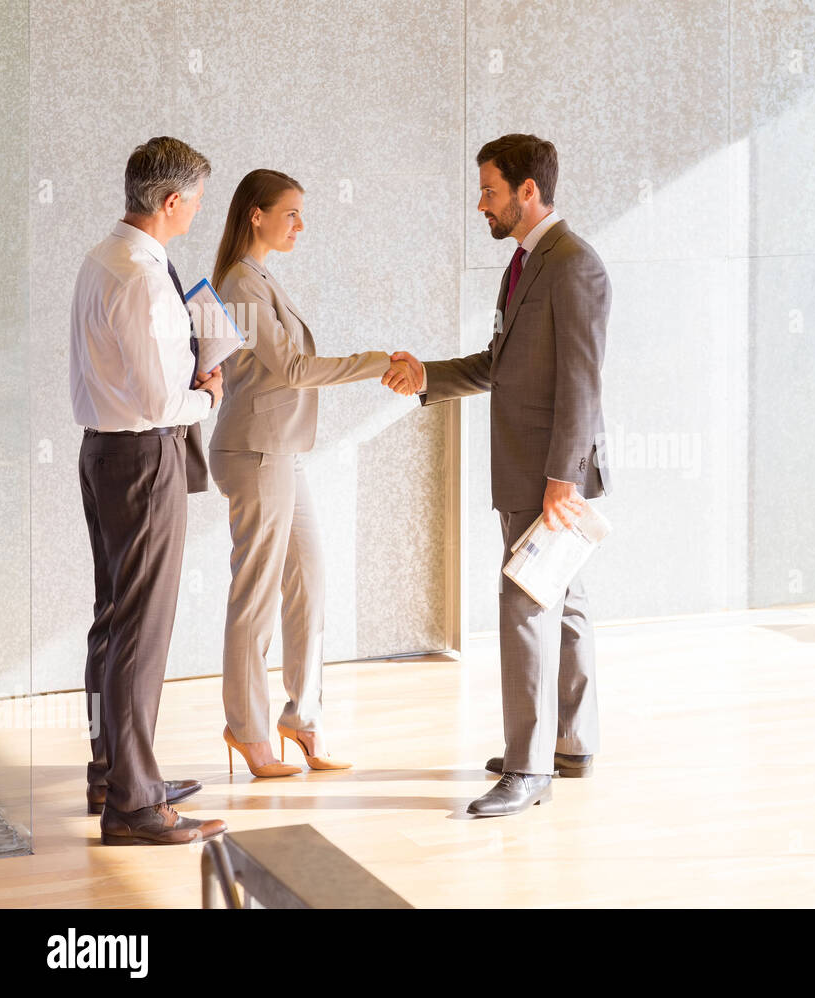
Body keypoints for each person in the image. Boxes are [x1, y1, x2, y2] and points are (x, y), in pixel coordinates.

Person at [385, 134, 610, 817]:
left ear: (528, 192)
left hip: (549, 475)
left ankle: (528, 769)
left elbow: (582, 382)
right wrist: (428, 376)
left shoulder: (574, 267)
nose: (480, 204)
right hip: (532, 469)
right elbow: (497, 364)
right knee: (560, 604)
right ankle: (569, 743)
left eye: (489, 191)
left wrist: (562, 478)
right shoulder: (524, 265)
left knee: (525, 608)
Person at [210, 169, 407, 777]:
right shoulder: (242, 281)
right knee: (256, 594)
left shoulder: (261, 278)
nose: (301, 224)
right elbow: (291, 368)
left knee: (309, 580)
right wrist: (377, 363)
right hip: (254, 453)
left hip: (278, 452)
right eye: (291, 213)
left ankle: (302, 716)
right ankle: (246, 730)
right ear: (256, 215)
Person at [71, 136, 228, 845]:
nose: (197, 213)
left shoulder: (103, 257)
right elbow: (164, 399)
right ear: (171, 202)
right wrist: (209, 394)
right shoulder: (140, 274)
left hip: (104, 453)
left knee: (113, 619)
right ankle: (134, 804)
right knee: (142, 629)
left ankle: (115, 771)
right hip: (142, 458)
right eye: (195, 202)